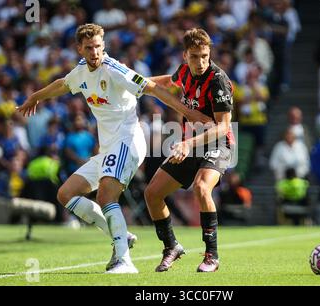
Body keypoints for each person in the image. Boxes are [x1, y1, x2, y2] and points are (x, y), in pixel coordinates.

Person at [17, 24, 210, 274]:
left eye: (98, 46)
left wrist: (189, 112)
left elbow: (151, 89)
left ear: (103, 45)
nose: (95, 51)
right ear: (80, 49)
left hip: (128, 140)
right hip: (109, 147)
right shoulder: (80, 72)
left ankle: (123, 260)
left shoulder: (115, 69)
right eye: (89, 47)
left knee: (106, 195)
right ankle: (120, 234)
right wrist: (36, 96)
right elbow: (62, 84)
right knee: (66, 194)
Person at [144, 28, 235, 273]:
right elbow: (167, 81)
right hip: (189, 144)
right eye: (195, 56)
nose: (201, 62)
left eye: (204, 56)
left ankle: (211, 256)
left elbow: (223, 126)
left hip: (217, 143)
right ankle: (171, 246)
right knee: (152, 194)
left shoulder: (218, 80)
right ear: (185, 56)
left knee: (202, 187)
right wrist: (139, 82)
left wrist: (187, 144)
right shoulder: (184, 72)